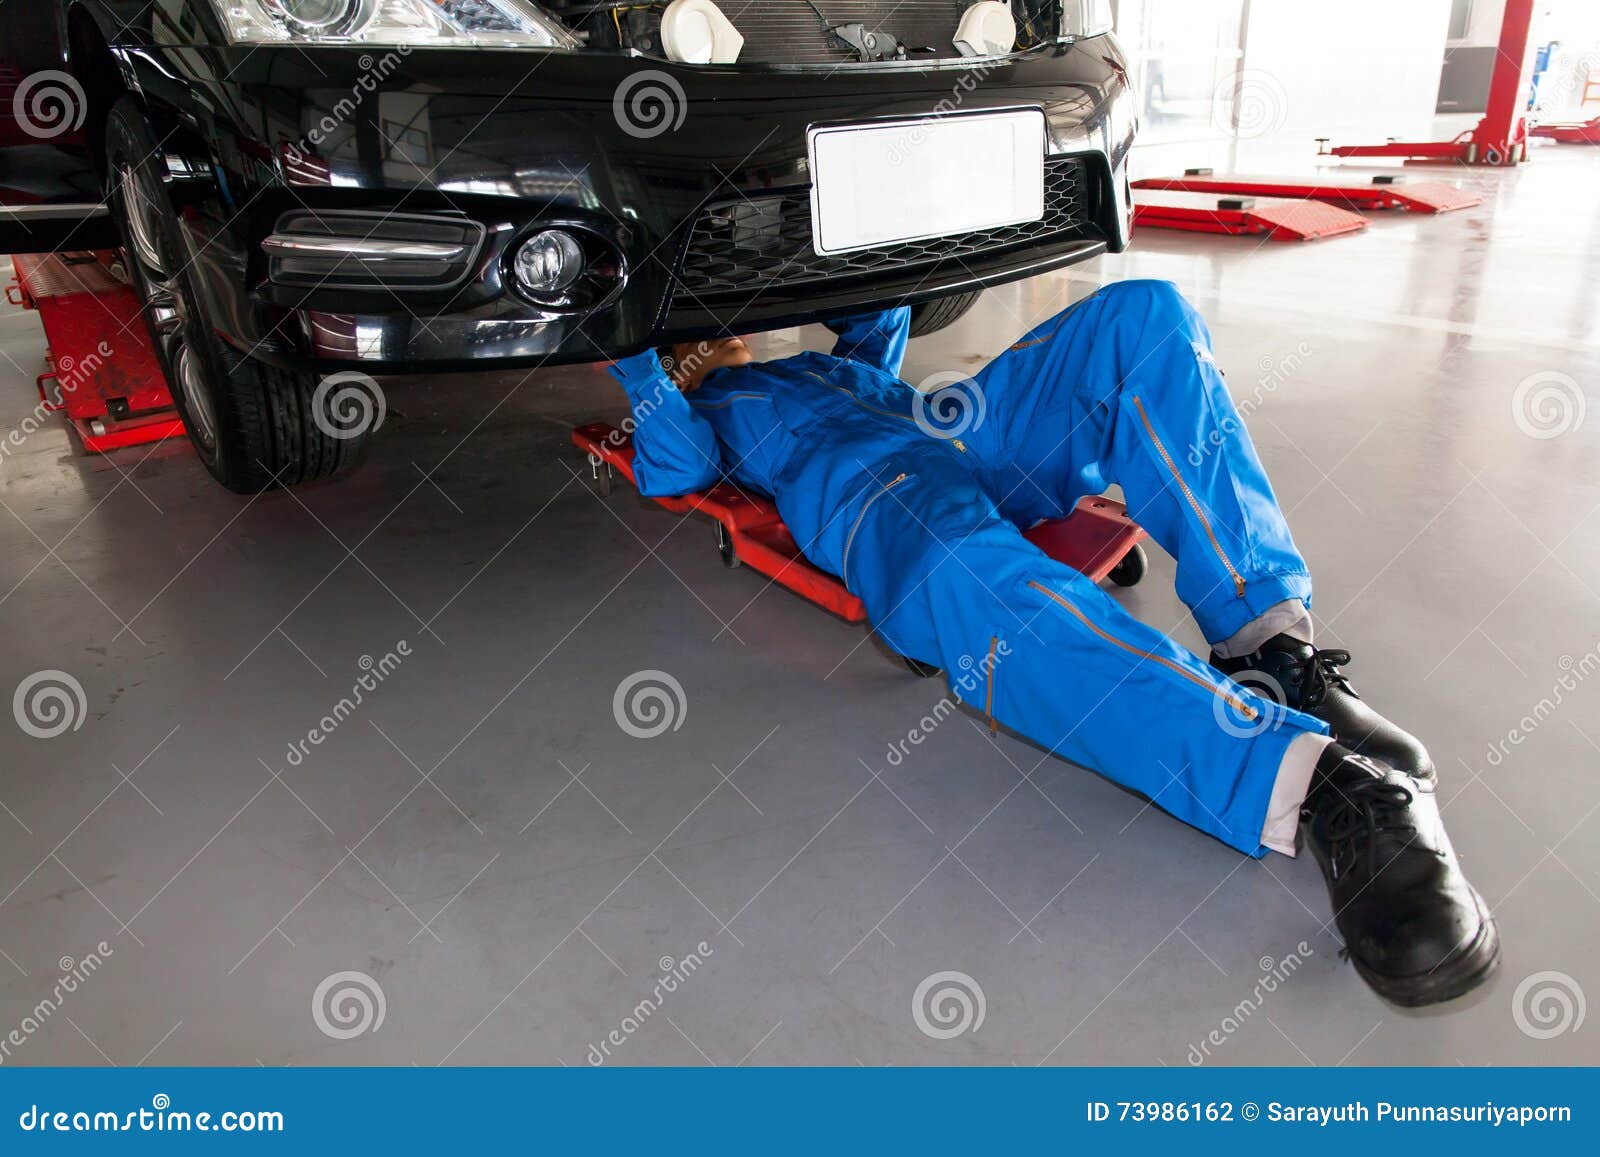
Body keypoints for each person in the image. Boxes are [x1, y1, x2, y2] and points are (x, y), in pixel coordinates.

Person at [607, 280, 1498, 1007]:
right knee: (961, 571)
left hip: (956, 423)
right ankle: (1322, 785)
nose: (722, 333)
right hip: (871, 490)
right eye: (702, 334)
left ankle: (1271, 650)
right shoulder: (706, 407)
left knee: (1142, 318)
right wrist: (639, 353)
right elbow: (676, 468)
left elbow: (878, 324)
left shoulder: (809, 364)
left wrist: (846, 265)